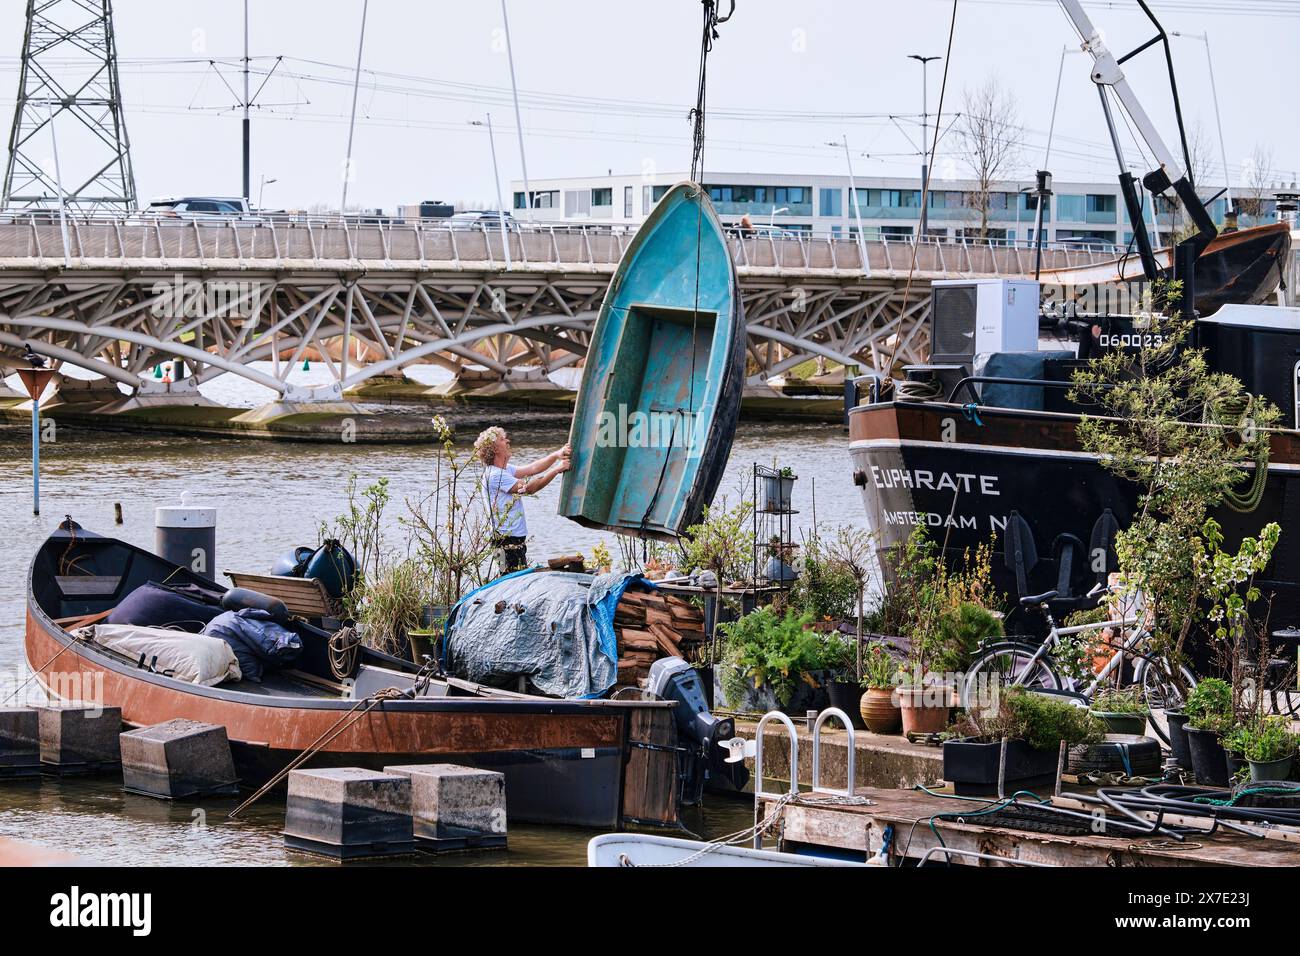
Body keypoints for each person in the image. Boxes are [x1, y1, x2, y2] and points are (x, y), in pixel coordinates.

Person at [474, 426, 571, 572]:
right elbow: (530, 488)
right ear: (495, 449)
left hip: (513, 539)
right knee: (509, 581)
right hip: (505, 541)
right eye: (502, 439)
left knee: (513, 579)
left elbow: (533, 468)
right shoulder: (495, 476)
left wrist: (556, 455)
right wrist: (557, 469)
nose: (508, 441)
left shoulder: (504, 470)